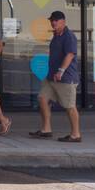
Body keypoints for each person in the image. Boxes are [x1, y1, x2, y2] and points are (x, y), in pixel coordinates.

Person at [30, 10, 82, 142]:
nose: (53, 22)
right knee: (42, 98)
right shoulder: (56, 35)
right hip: (51, 77)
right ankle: (46, 129)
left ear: (63, 22)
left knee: (69, 106)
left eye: (56, 20)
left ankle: (76, 135)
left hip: (65, 78)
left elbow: (70, 55)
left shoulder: (69, 36)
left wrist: (61, 71)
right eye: (52, 20)